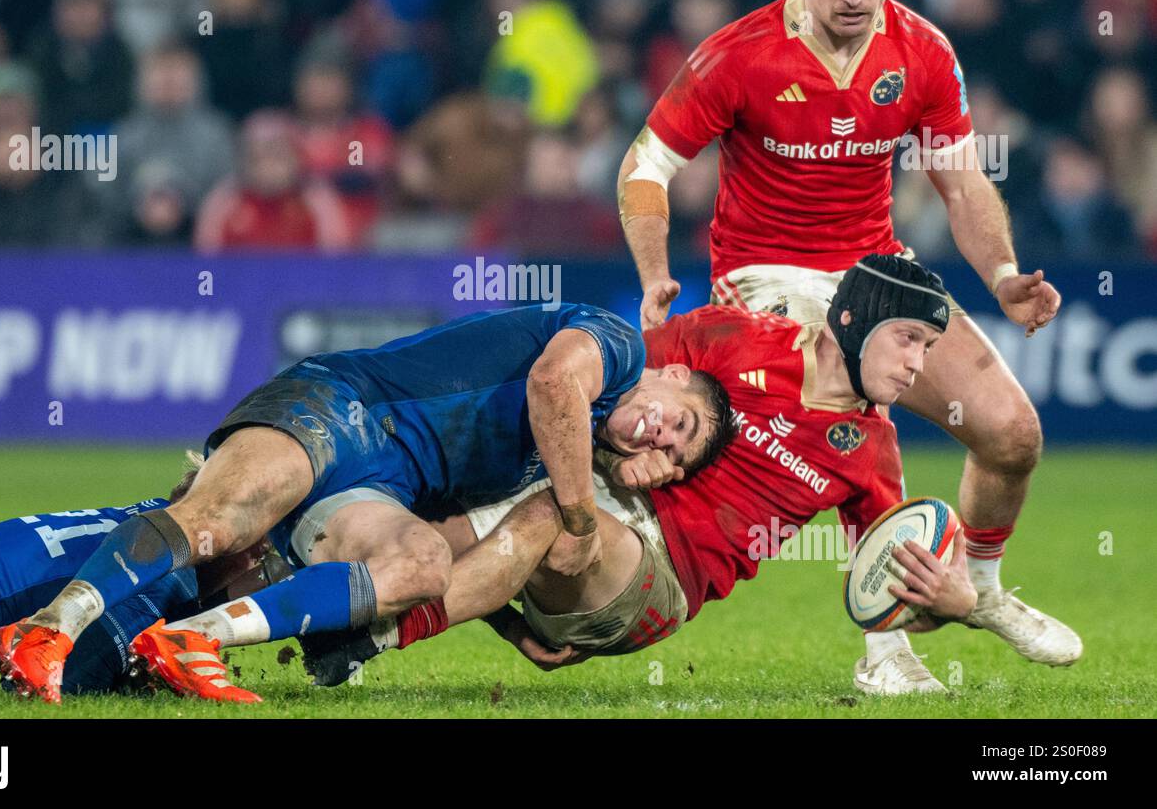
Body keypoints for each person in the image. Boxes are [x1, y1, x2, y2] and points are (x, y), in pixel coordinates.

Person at [139, 255, 980, 701]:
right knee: (411, 541)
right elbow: (621, 400)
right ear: (853, 323)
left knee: (546, 515)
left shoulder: (869, 451)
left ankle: (360, 642)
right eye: (911, 339)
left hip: (657, 582)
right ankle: (166, 611)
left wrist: (950, 605)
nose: (921, 366)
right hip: (606, 500)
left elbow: (886, 581)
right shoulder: (733, 338)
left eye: (928, 350)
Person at [616, 0, 1078, 669]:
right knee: (862, 402)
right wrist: (656, 272)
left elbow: (961, 182)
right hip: (762, 277)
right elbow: (645, 166)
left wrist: (1002, 274)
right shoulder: (738, 55)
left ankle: (979, 585)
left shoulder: (924, 53)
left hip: (875, 269)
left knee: (1011, 434)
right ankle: (886, 645)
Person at [0, 304, 733, 703]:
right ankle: (48, 629)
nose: (661, 441)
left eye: (672, 457)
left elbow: (478, 528)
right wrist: (577, 518)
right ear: (669, 377)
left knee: (422, 561)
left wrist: (509, 627)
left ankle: (193, 640)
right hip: (338, 403)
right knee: (218, 522)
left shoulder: (562, 454)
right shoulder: (617, 342)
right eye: (679, 423)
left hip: (379, 487)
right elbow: (551, 386)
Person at [0, 462, 287, 695]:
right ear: (231, 540)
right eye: (260, 550)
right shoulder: (161, 576)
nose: (257, 566)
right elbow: (66, 676)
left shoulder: (147, 527)